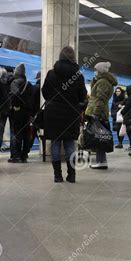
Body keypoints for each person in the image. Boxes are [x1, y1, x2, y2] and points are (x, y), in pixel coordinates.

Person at [42, 46, 87, 182]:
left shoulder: (51, 73)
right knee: (69, 144)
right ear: (73, 57)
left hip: (53, 113)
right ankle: (72, 175)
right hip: (70, 114)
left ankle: (57, 175)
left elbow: (45, 92)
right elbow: (83, 96)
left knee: (55, 143)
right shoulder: (78, 76)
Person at [85, 61, 117, 169]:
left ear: (100, 71)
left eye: (96, 70)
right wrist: (94, 81)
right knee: (99, 136)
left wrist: (95, 113)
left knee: (99, 137)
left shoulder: (103, 82)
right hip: (99, 111)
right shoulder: (101, 81)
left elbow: (100, 99)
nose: (95, 72)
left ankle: (101, 161)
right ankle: (101, 161)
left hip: (99, 112)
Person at [9, 63, 33, 163]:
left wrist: (16, 105)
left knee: (17, 133)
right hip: (27, 113)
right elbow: (32, 100)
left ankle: (16, 156)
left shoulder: (15, 82)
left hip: (18, 112)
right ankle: (24, 156)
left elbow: (15, 95)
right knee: (26, 134)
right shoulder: (30, 84)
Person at [0, 68, 13, 159]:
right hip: (9, 109)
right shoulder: (11, 81)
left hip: (0, 110)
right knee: (13, 132)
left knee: (0, 132)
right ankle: (14, 154)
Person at [122, 85, 131, 151]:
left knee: (130, 132)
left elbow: (126, 108)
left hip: (129, 118)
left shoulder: (130, 98)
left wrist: (122, 112)